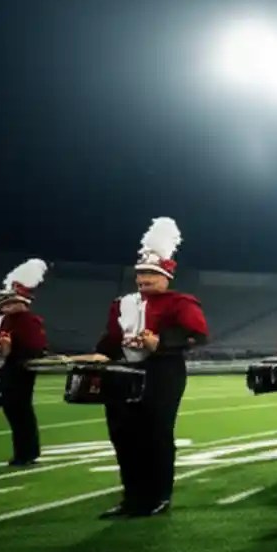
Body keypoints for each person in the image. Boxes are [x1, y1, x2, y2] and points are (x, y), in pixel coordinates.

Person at [94, 218, 209, 518]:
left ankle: (158, 495)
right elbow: (111, 338)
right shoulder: (121, 303)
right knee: (122, 434)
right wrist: (99, 355)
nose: (144, 278)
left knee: (156, 433)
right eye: (141, 272)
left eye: (151, 273)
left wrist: (161, 343)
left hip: (163, 373)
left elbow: (197, 334)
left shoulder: (180, 302)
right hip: (124, 374)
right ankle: (132, 495)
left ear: (166, 277)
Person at [0, 259, 48, 466]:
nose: (4, 305)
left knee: (20, 412)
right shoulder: (7, 320)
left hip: (20, 371)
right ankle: (26, 452)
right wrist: (3, 347)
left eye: (9, 302)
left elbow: (35, 347)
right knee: (15, 412)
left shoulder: (28, 320)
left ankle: (26, 453)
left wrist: (11, 348)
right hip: (7, 369)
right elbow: (2, 345)